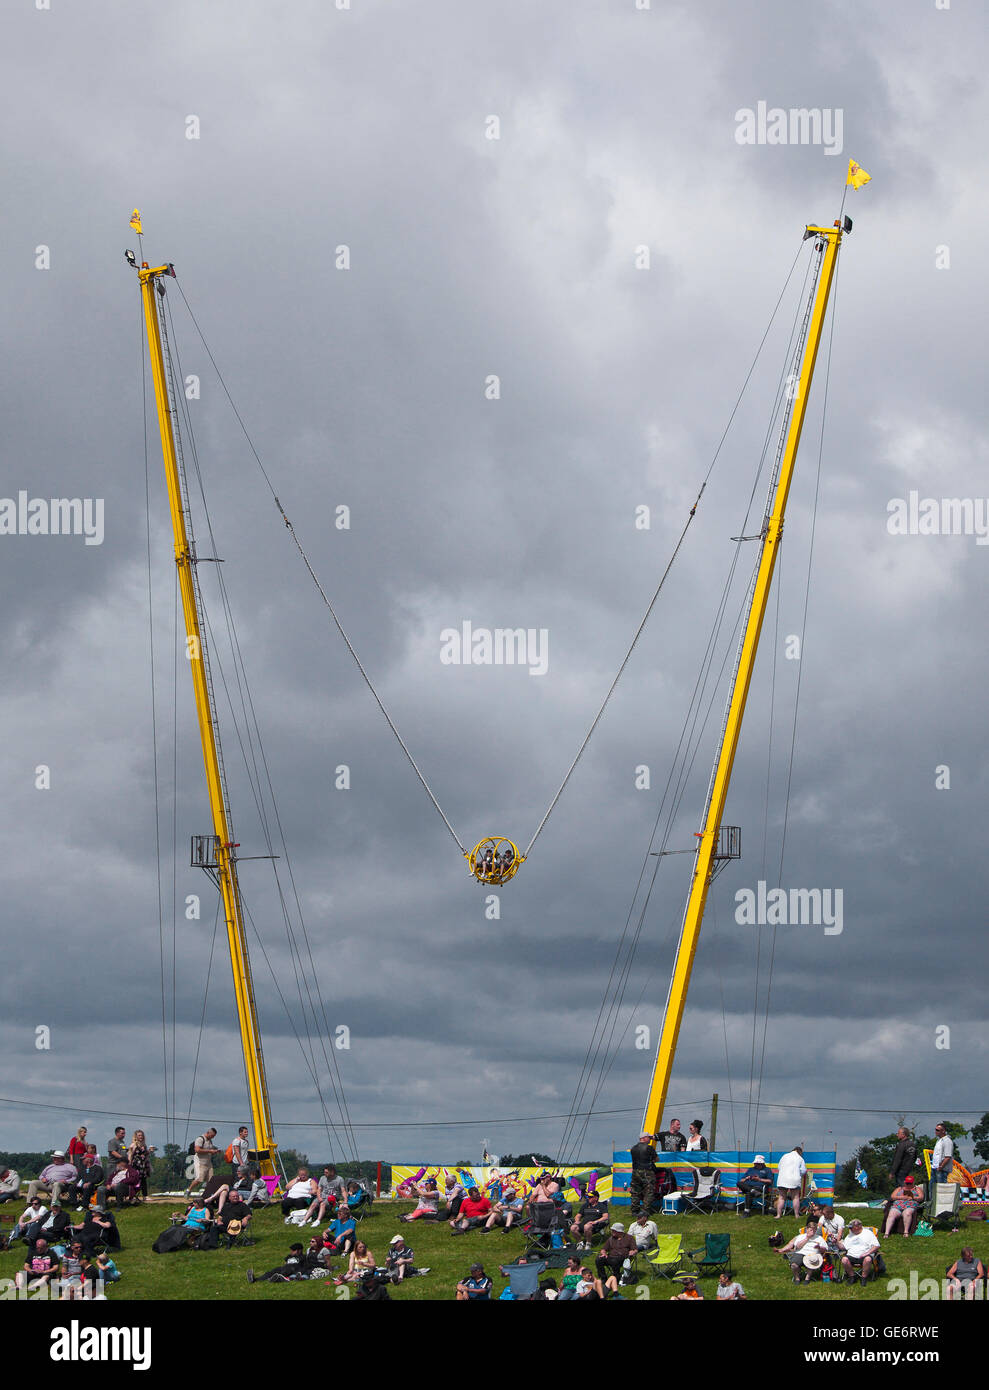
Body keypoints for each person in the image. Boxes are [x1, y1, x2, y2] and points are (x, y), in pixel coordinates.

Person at [837, 1219, 881, 1285]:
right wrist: (836, 1242)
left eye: (851, 1227)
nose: (850, 1229)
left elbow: (877, 1245)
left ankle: (864, 1278)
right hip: (852, 1255)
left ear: (858, 1227)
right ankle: (852, 1277)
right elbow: (843, 1247)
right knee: (844, 1259)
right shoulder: (850, 1235)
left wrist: (867, 1253)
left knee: (868, 1259)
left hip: (865, 1256)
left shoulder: (868, 1233)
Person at [595, 1222, 637, 1287]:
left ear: (619, 1231)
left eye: (614, 1231)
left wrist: (632, 1252)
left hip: (623, 1258)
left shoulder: (629, 1238)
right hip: (611, 1257)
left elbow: (635, 1249)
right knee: (598, 1259)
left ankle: (616, 1277)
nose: (612, 1232)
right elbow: (603, 1249)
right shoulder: (610, 1239)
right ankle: (603, 1278)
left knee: (614, 1261)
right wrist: (604, 1253)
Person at [629, 1131, 658, 1217]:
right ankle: (645, 1211)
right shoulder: (649, 1148)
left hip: (635, 1171)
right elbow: (656, 1159)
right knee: (649, 1191)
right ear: (644, 1138)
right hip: (647, 1172)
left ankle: (634, 1210)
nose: (649, 1139)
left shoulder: (633, 1148)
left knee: (635, 1191)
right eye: (648, 1137)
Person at [186, 1128, 221, 1198]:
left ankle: (207, 1194)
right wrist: (210, 1151)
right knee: (199, 1179)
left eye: (214, 1136)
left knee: (210, 1179)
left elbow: (209, 1150)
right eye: (212, 1135)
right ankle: (188, 1190)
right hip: (200, 1162)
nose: (213, 1137)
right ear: (208, 1133)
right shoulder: (200, 1139)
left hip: (208, 1162)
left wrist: (214, 1151)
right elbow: (197, 1150)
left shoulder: (210, 1141)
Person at [775, 1145, 807, 1219]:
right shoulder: (800, 1158)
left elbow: (779, 1167)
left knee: (782, 1197)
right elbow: (803, 1171)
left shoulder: (784, 1156)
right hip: (794, 1179)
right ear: (800, 1152)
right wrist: (798, 1173)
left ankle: (778, 1215)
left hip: (782, 1179)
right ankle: (796, 1215)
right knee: (795, 1197)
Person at [127, 1130, 155, 1201]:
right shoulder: (133, 1145)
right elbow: (130, 1154)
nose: (141, 1137)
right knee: (134, 1180)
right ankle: (132, 1196)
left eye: (142, 1135)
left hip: (143, 1165)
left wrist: (149, 1151)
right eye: (139, 1135)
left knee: (143, 1180)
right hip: (136, 1164)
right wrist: (129, 1164)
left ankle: (145, 1195)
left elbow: (144, 1155)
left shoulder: (144, 1145)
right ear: (136, 1136)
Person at [931, 1122, 954, 1186]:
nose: (935, 1131)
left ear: (943, 1131)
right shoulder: (939, 1140)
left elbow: (948, 1156)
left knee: (941, 1188)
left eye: (937, 1130)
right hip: (934, 1168)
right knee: (932, 1188)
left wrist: (941, 1167)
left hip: (942, 1170)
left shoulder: (947, 1141)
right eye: (935, 1129)